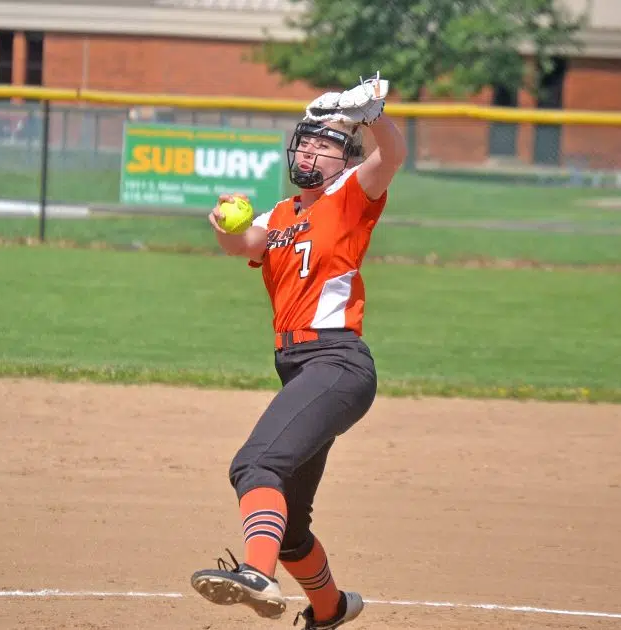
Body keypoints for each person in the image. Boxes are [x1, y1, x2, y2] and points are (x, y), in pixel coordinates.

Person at [189, 72, 406, 630]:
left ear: (344, 161)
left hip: (337, 363)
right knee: (291, 526)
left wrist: (371, 114)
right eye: (306, 141)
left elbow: (393, 155)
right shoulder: (280, 215)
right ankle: (332, 609)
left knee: (255, 464)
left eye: (326, 145)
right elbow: (243, 242)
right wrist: (221, 224)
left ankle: (256, 574)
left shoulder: (354, 195)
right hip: (301, 370)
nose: (312, 149)